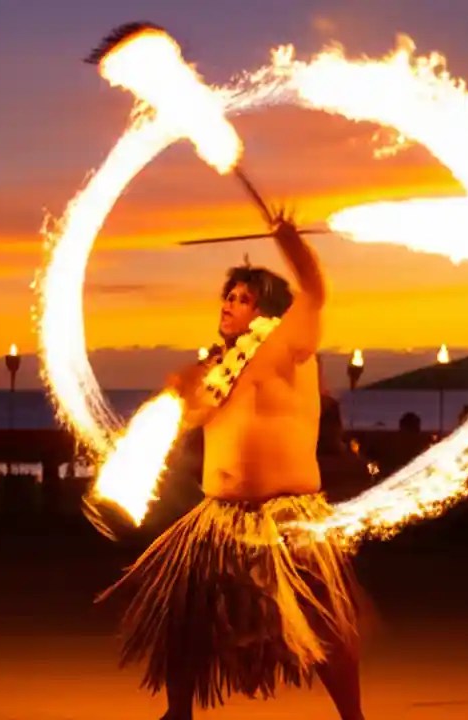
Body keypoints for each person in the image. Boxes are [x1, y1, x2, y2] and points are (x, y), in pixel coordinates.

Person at [95, 215, 367, 720]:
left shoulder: (289, 348)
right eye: (229, 296)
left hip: (287, 520)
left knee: (322, 622)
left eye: (243, 298)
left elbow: (314, 289)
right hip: (217, 519)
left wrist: (291, 243)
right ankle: (179, 714)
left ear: (267, 310)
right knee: (183, 614)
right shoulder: (217, 368)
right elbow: (183, 420)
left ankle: (354, 719)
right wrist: (176, 394)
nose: (229, 303)